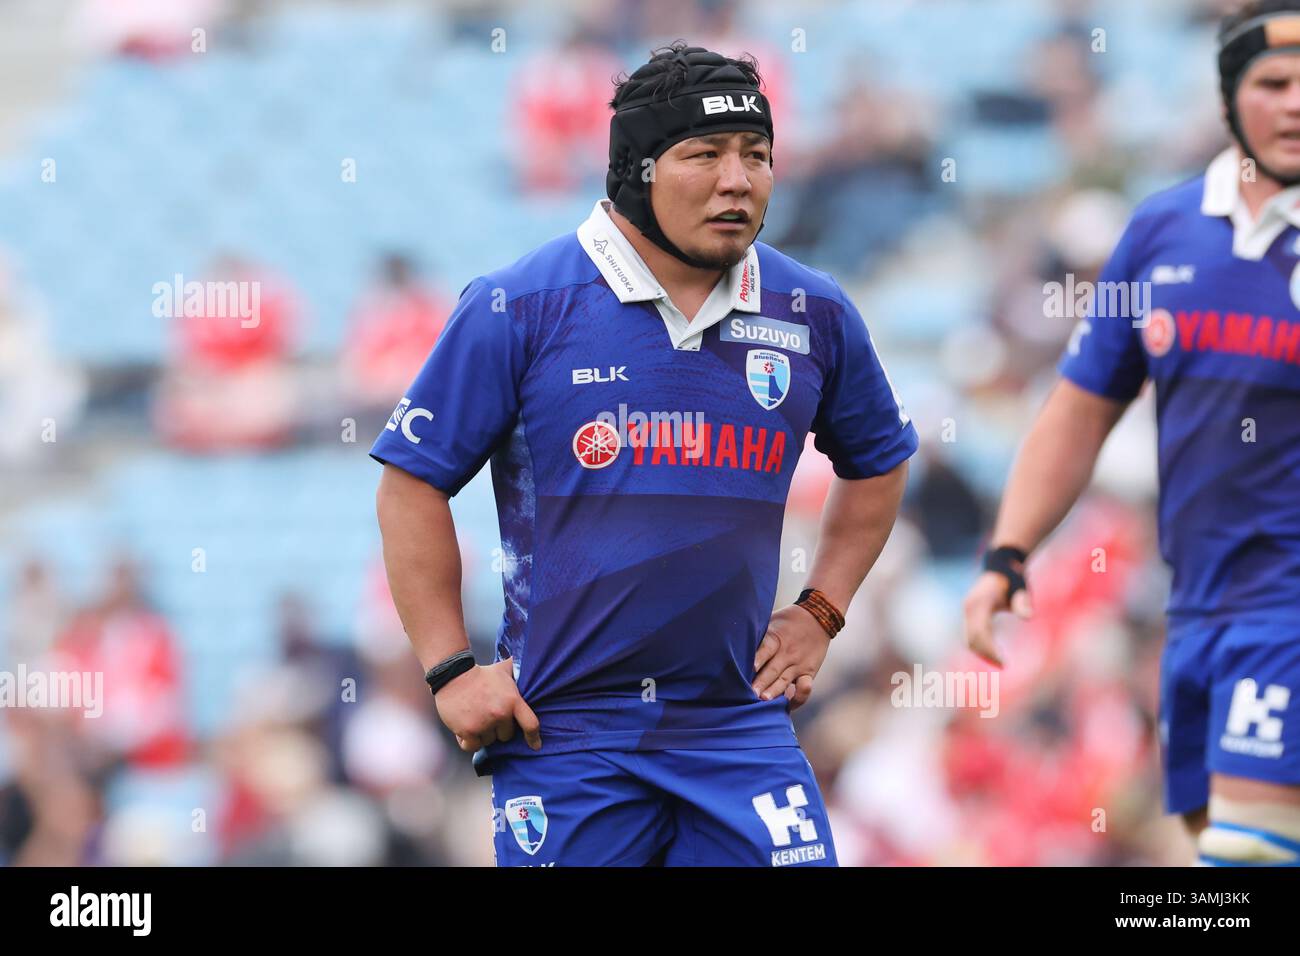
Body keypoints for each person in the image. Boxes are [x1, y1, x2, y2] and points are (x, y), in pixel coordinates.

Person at [371, 43, 916, 867]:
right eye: (705, 155)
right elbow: (412, 483)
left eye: (758, 155)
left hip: (740, 724)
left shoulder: (814, 309)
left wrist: (821, 612)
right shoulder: (519, 305)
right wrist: (450, 670)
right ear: (638, 171)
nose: (739, 180)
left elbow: (878, 459)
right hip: (568, 734)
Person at [964, 0, 1300, 867]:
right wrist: (1010, 552)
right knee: (1198, 853)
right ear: (1231, 100)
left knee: (1248, 852)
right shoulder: (1162, 230)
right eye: (1273, 83)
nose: (1296, 102)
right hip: (1193, 607)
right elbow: (1082, 403)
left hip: (1286, 608)